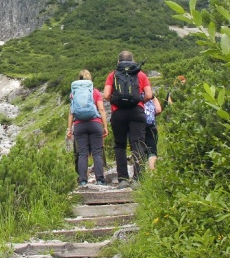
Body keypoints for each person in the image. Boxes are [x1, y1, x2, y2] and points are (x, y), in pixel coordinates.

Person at [103, 51, 153, 188]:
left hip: (118, 113)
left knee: (120, 146)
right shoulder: (140, 74)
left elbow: (106, 95)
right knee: (138, 144)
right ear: (133, 60)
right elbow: (149, 94)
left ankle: (123, 179)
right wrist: (140, 100)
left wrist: (115, 100)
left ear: (118, 62)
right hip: (137, 112)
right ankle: (138, 179)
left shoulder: (112, 75)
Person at [67, 70, 109, 186]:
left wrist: (69, 129)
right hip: (95, 124)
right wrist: (105, 126)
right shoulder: (95, 92)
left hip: (79, 125)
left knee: (82, 154)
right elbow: (101, 109)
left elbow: (71, 112)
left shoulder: (74, 93)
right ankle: (100, 180)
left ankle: (82, 181)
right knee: (97, 153)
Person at [143, 91, 163, 171]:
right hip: (150, 126)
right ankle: (153, 173)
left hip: (136, 126)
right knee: (152, 151)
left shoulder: (132, 94)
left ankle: (139, 174)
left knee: (138, 149)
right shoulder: (150, 96)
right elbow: (158, 110)